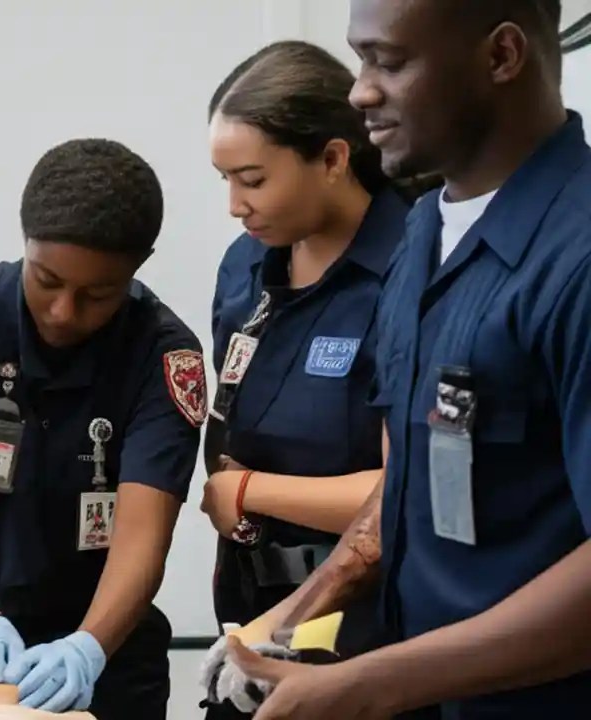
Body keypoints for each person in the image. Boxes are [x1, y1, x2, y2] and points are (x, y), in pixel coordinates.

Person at [208, 0, 591, 717]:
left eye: (390, 61)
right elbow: (407, 485)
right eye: (360, 59)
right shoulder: (425, 234)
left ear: (502, 57)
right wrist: (290, 624)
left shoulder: (577, 256)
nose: (359, 92)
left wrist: (373, 683)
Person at [0, 138, 206, 719]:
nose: (63, 311)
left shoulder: (164, 356)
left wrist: (88, 648)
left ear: (138, 266)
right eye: (47, 279)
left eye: (97, 294)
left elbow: (142, 539)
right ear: (25, 240)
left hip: (101, 639)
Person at [197, 40, 410, 717]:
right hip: (246, 608)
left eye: (253, 180)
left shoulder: (410, 269)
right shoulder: (245, 266)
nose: (235, 204)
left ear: (332, 159)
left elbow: (403, 492)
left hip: (365, 626)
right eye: (225, 180)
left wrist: (253, 491)